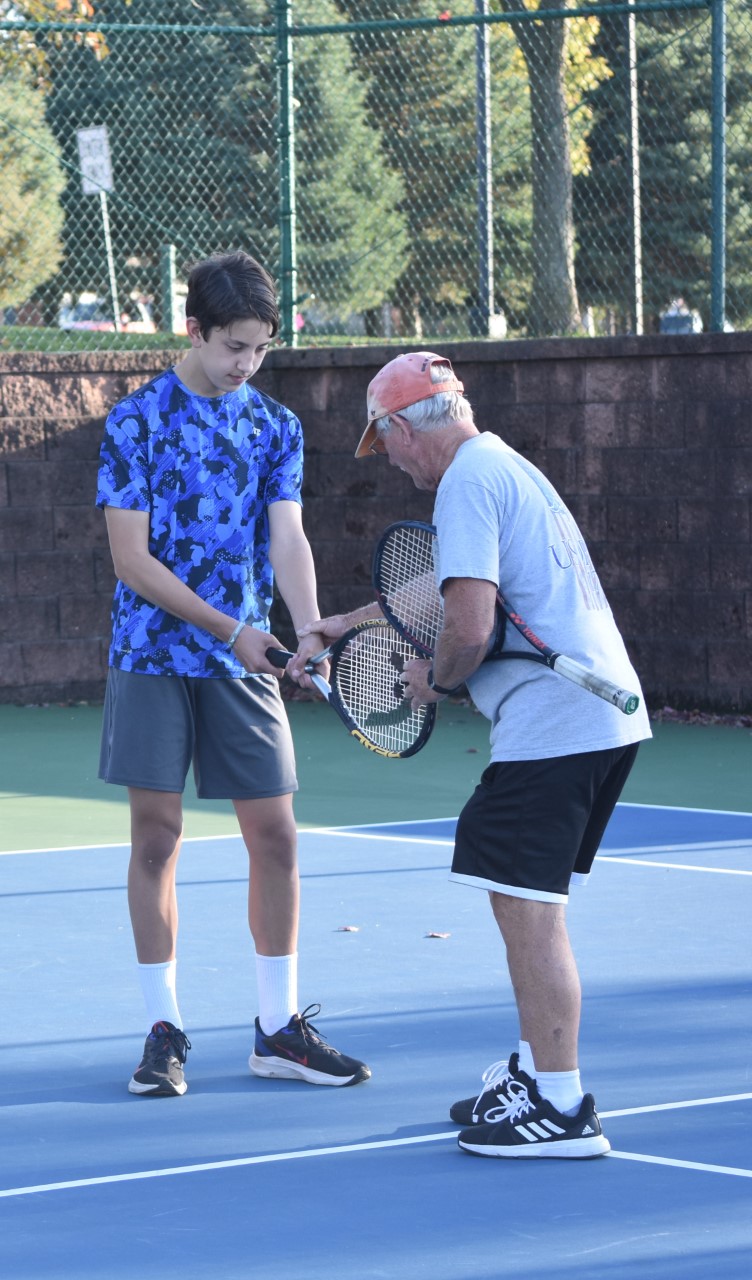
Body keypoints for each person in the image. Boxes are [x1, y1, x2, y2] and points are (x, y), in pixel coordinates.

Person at [298, 350, 651, 1158]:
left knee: (530, 908)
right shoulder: (498, 468)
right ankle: (535, 1070)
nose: (384, 456)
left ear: (402, 426)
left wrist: (438, 680)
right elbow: (438, 593)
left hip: (558, 728)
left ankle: (561, 1107)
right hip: (595, 724)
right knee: (517, 895)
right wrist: (341, 627)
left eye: (380, 440)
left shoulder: (464, 484)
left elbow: (466, 626)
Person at [95, 250, 370, 1097]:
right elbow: (131, 560)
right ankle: (163, 1030)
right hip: (152, 655)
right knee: (156, 841)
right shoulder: (134, 423)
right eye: (233, 347)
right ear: (195, 331)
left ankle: (278, 1030)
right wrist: (233, 628)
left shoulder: (275, 428)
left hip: (244, 661)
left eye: (259, 350)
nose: (246, 365)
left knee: (277, 838)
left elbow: (287, 536)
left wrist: (311, 623)